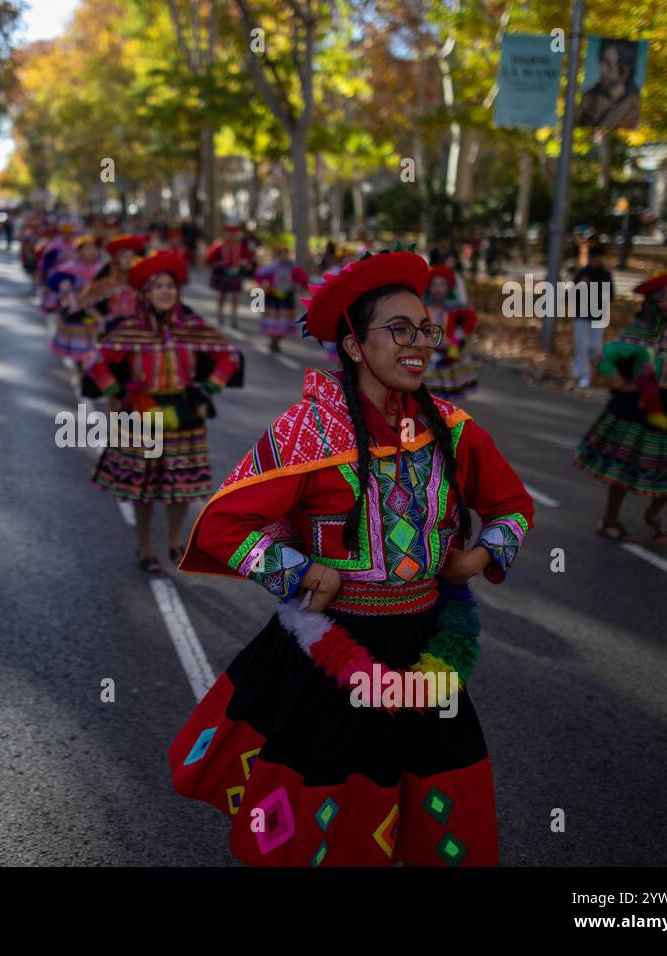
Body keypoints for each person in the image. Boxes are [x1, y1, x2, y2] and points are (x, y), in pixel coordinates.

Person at [171, 246, 534, 866]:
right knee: (324, 824)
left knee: (443, 817)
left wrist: (476, 560)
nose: (419, 342)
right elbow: (222, 526)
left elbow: (515, 508)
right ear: (353, 347)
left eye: (426, 329)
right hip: (333, 651)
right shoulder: (306, 432)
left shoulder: (452, 427)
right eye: (399, 329)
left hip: (426, 648)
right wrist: (301, 571)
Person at [82, 252, 242, 572]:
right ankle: (143, 545)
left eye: (171, 285)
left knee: (181, 487)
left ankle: (173, 540)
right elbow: (96, 361)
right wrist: (118, 391)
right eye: (159, 286)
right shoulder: (130, 329)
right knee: (143, 487)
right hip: (143, 417)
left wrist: (208, 390)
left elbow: (229, 357)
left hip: (185, 416)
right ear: (146, 293)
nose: (166, 291)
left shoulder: (194, 326)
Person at [574, 268, 667, 544]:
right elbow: (605, 357)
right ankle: (609, 520)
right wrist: (620, 383)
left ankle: (653, 515)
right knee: (624, 473)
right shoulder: (641, 336)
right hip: (639, 412)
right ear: (654, 305)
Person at [422, 266, 479, 399]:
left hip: (450, 352)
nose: (438, 288)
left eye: (443, 285)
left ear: (449, 288)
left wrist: (456, 340)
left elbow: (470, 320)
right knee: (427, 394)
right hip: (428, 354)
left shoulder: (455, 309)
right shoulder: (422, 308)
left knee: (447, 394)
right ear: (428, 287)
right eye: (434, 284)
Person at [49, 235, 107, 364]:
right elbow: (60, 287)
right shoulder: (70, 268)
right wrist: (71, 296)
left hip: (95, 315)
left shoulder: (102, 270)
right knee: (79, 353)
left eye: (93, 249)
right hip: (76, 314)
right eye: (87, 249)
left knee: (93, 354)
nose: (90, 252)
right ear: (80, 251)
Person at [571, 244, 614, 389]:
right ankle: (585, 375)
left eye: (598, 258)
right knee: (581, 346)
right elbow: (573, 294)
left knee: (594, 347)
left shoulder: (605, 275)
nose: (595, 260)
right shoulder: (583, 273)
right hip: (582, 315)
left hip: (598, 316)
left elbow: (611, 295)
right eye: (593, 257)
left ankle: (581, 366)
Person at [577, 38, 642, 129]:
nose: (606, 69)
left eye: (613, 63)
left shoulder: (634, 102)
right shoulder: (588, 97)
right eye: (604, 61)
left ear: (627, 68)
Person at [254, 246, 308, 353]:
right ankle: (273, 341)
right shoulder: (271, 267)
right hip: (272, 297)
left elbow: (303, 279)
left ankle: (277, 341)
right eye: (281, 253)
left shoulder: (294, 267)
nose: (284, 256)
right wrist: (265, 286)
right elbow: (259, 276)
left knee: (284, 323)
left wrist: (301, 287)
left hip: (287, 298)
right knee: (272, 322)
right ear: (278, 255)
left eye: (285, 253)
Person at [205, 224, 254, 326]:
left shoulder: (240, 246)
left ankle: (234, 317)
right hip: (222, 273)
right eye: (229, 233)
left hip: (235, 274)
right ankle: (220, 314)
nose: (232, 236)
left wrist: (244, 262)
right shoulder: (219, 245)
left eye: (234, 234)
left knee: (235, 296)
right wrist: (220, 264)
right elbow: (210, 258)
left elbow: (248, 257)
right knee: (222, 295)